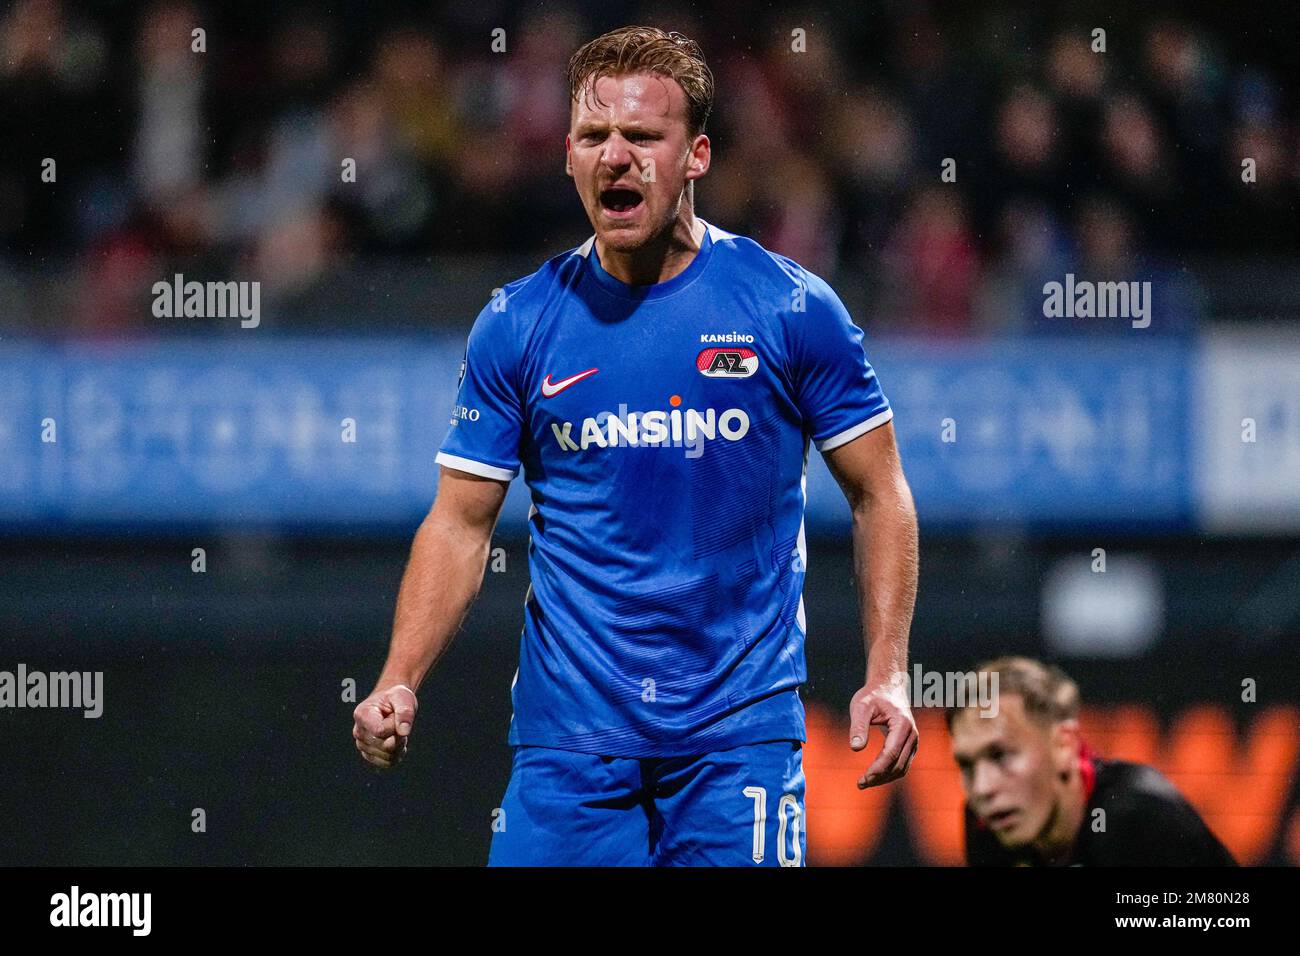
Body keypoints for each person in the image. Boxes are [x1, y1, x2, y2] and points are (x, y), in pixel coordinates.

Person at [352, 25, 920, 866]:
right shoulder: (518, 324)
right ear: (570, 158)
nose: (615, 157)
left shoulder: (791, 309)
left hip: (738, 742)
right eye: (593, 137)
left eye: (642, 137)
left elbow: (881, 494)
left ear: (695, 155)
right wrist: (399, 676)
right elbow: (461, 524)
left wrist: (888, 669)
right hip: (569, 748)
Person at [947, 656, 1236, 866]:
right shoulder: (984, 829)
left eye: (1001, 756)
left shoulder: (1145, 822)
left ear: (1064, 745)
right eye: (967, 766)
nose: (983, 788)